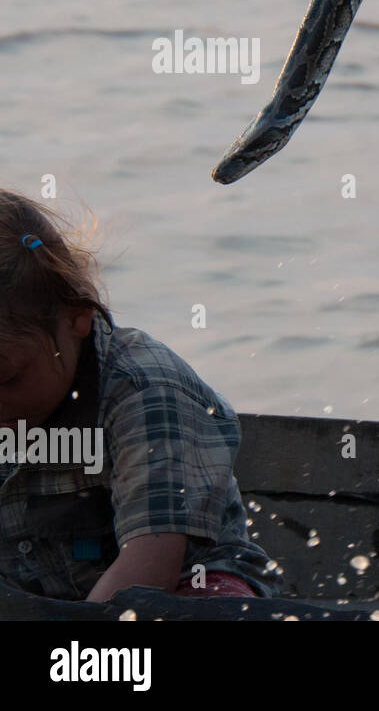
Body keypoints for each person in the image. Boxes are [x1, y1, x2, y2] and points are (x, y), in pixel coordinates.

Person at [0, 190, 282, 602]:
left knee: (209, 602)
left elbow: (150, 568)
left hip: (176, 590)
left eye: (7, 379)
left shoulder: (147, 392)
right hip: (39, 600)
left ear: (78, 315)